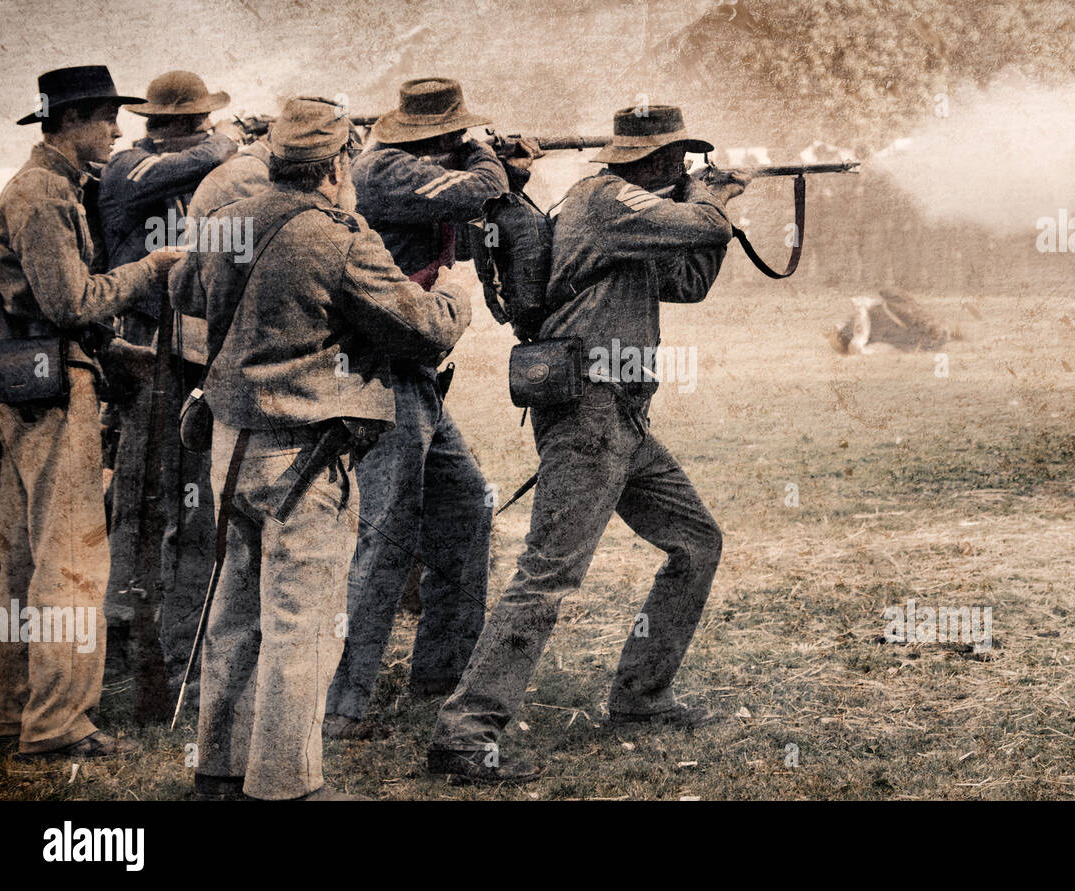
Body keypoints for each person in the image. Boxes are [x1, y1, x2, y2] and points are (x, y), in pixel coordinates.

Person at [428, 104, 750, 783]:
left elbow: (687, 282)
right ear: (657, 159)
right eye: (680, 159)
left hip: (622, 417)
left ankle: (641, 695)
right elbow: (703, 222)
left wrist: (711, 216)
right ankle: (464, 732)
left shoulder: (628, 217)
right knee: (548, 575)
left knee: (696, 542)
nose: (685, 167)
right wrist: (714, 201)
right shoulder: (608, 201)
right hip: (590, 414)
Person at [169, 96, 474, 801]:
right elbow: (423, 330)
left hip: (229, 445)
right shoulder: (338, 237)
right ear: (338, 164)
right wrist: (455, 295)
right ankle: (288, 786)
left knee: (236, 617)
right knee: (301, 626)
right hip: (304, 458)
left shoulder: (222, 223)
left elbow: (185, 289)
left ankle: (218, 774)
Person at [0, 65, 181, 760]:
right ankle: (60, 724)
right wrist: (151, 269)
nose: (118, 132)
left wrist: (117, 350)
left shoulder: (43, 187)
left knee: (22, 562)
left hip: (25, 385)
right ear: (73, 122)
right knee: (71, 561)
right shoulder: (43, 194)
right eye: (108, 119)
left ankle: (13, 710)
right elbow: (69, 302)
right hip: (49, 394)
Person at [324, 79, 503, 739]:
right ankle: (341, 704)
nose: (462, 145)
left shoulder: (413, 169)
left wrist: (500, 169)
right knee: (386, 536)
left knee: (466, 506)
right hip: (379, 373)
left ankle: (442, 670)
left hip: (414, 374)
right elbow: (478, 189)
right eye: (455, 137)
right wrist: (490, 158)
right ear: (432, 141)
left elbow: (480, 211)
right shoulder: (386, 170)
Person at [97, 71, 238, 685]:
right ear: (176, 127)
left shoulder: (191, 169)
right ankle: (128, 650)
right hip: (144, 354)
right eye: (198, 123)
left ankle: (160, 649)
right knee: (140, 503)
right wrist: (231, 139)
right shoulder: (127, 168)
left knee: (184, 507)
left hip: (182, 355)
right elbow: (199, 159)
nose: (207, 133)